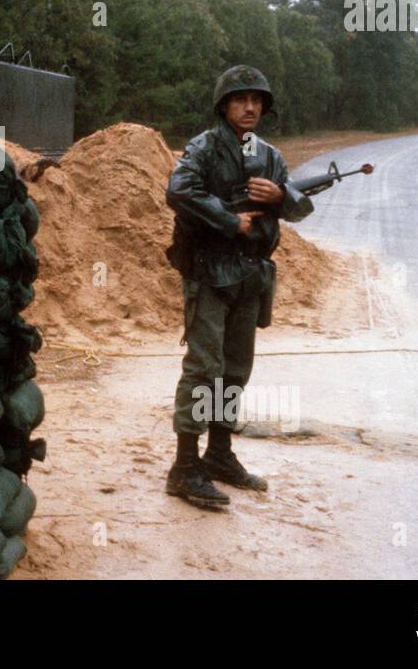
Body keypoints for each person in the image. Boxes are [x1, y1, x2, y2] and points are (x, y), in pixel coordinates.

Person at [163, 65, 313, 508]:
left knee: (235, 371)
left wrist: (281, 198)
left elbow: (300, 207)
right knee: (203, 368)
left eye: (257, 100)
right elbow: (179, 190)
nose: (249, 107)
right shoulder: (205, 148)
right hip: (210, 272)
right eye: (239, 99)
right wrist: (229, 219)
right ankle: (184, 467)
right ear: (224, 105)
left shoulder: (269, 156)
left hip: (250, 276)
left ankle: (219, 454)